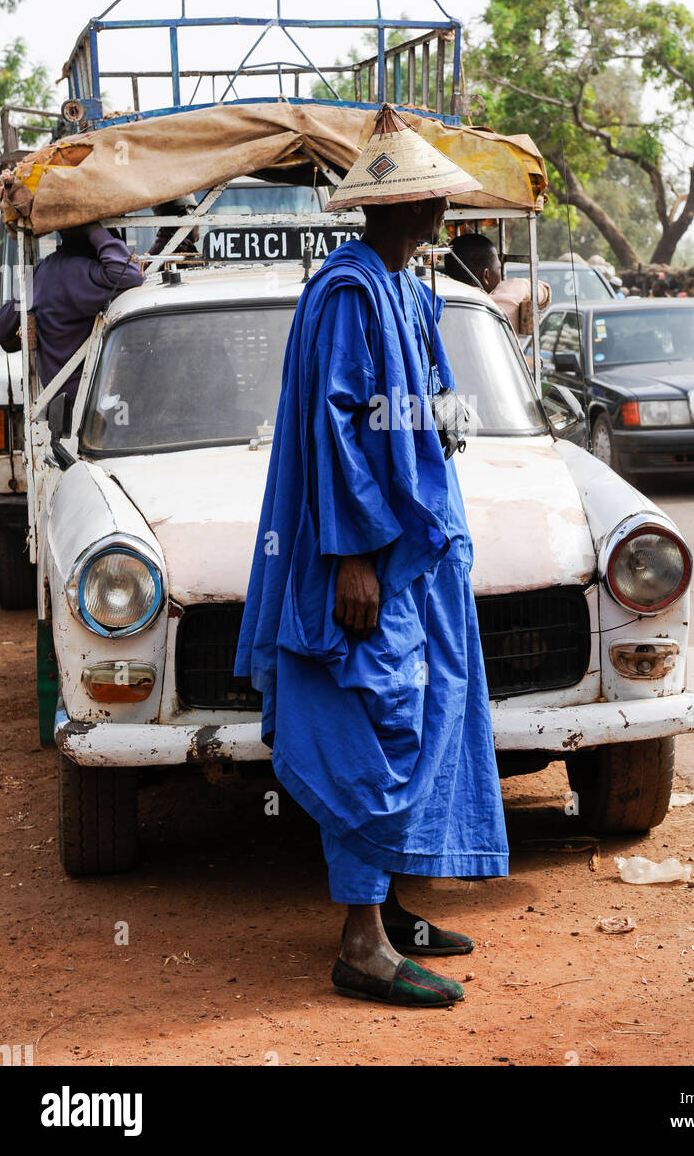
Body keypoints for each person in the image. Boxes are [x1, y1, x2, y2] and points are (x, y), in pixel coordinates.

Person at [234, 105, 509, 1008]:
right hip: (362, 555)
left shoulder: (407, 286)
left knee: (429, 709)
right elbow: (337, 429)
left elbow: (427, 403)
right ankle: (360, 946)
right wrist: (351, 555)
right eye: (428, 196)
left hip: (417, 551)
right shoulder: (348, 292)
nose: (441, 210)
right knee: (374, 725)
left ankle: (391, 909)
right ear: (393, 205)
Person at [0, 222, 142, 399]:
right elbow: (131, 274)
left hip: (58, 399)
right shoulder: (85, 274)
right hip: (96, 397)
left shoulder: (42, 273)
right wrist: (92, 228)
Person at [446, 230, 550, 336]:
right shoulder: (503, 298)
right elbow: (543, 290)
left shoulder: (441, 303)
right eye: (498, 268)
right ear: (486, 276)